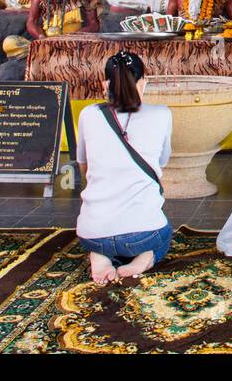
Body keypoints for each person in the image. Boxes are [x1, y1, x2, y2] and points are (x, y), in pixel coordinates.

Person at [75, 51, 174, 284]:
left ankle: (100, 256)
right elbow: (161, 163)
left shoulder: (88, 114)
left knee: (103, 235)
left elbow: (84, 167)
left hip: (91, 233)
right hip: (143, 234)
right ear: (143, 83)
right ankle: (145, 257)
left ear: (104, 85)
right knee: (164, 233)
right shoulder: (162, 114)